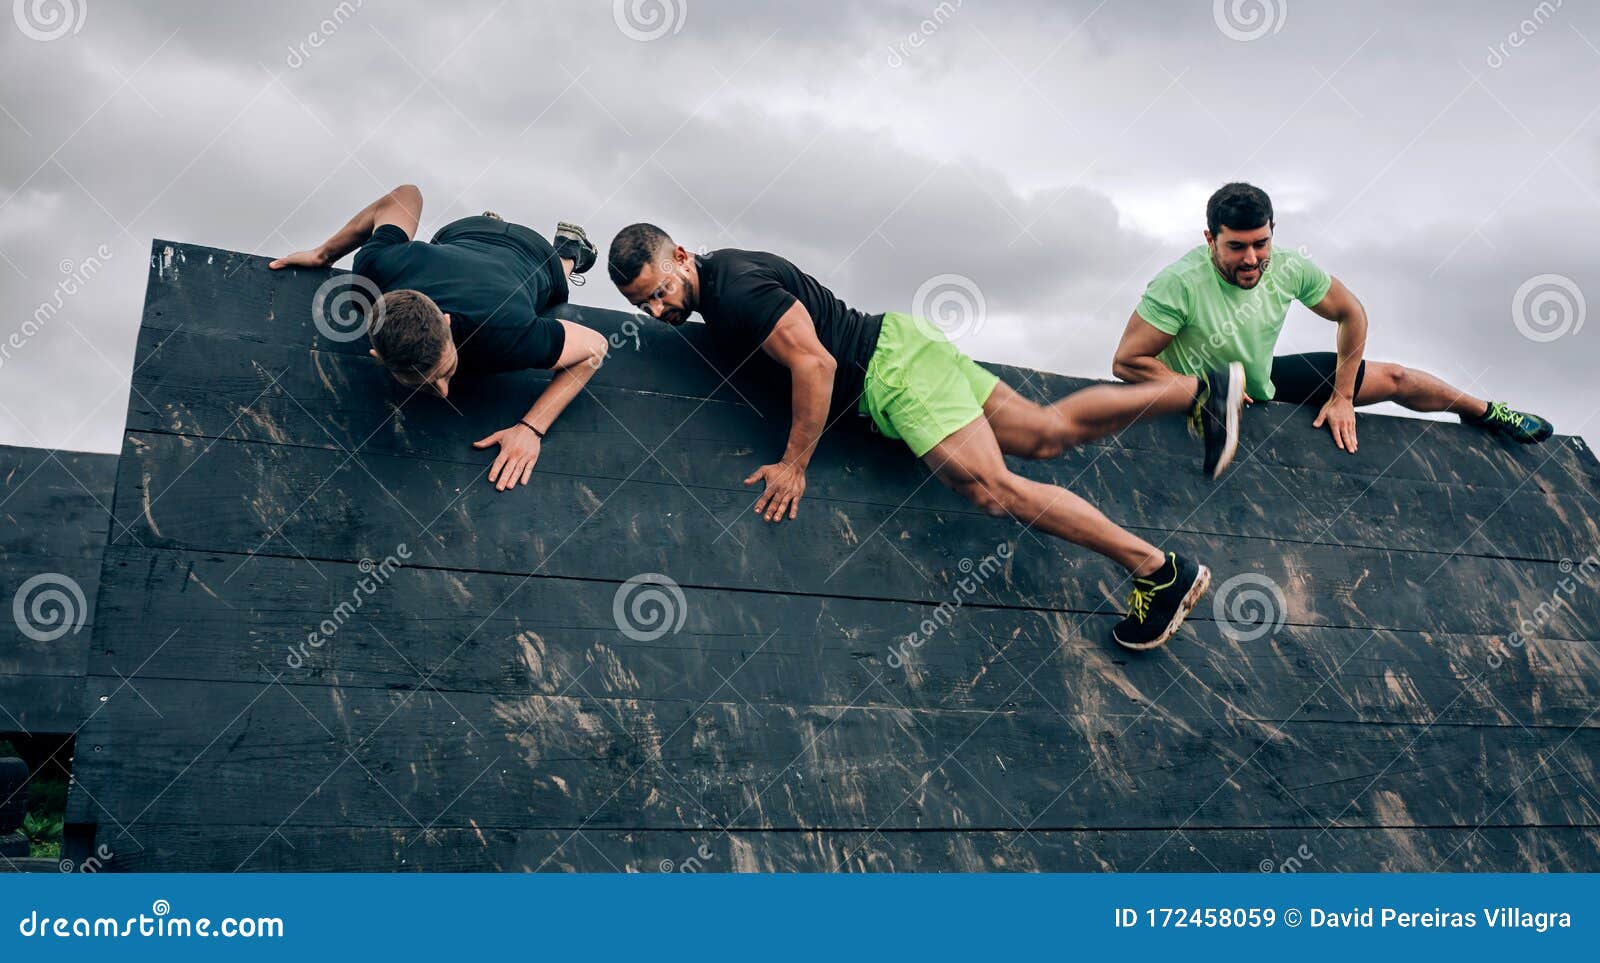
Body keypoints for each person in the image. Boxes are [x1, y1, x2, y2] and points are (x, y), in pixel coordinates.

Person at [607, 224, 1246, 651]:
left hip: (895, 374)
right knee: (1046, 434)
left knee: (993, 489)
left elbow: (817, 365)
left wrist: (794, 464)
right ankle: (1199, 392)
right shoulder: (725, 279)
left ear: (682, 255)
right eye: (646, 307)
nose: (660, 310)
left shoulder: (736, 291)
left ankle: (1159, 571)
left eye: (662, 290)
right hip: (906, 347)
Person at [1113, 182, 1554, 453]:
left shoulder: (1288, 267)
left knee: (1396, 377)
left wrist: (1342, 396)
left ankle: (1487, 412)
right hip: (1201, 396)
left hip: (1261, 382)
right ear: (1210, 239)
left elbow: (1351, 313)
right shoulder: (1179, 282)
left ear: (1272, 234)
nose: (1251, 259)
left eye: (1260, 244)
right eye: (1236, 247)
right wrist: (1202, 390)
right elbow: (1128, 361)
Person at [271, 184, 609, 491]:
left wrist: (531, 428)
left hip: (534, 255)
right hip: (466, 230)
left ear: (446, 323)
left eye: (444, 371)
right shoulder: (376, 266)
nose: (444, 390)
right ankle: (489, 222)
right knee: (461, 249)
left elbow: (596, 347)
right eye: (428, 381)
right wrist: (323, 255)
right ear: (377, 353)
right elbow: (406, 194)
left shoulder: (505, 332)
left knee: (554, 286)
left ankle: (569, 250)